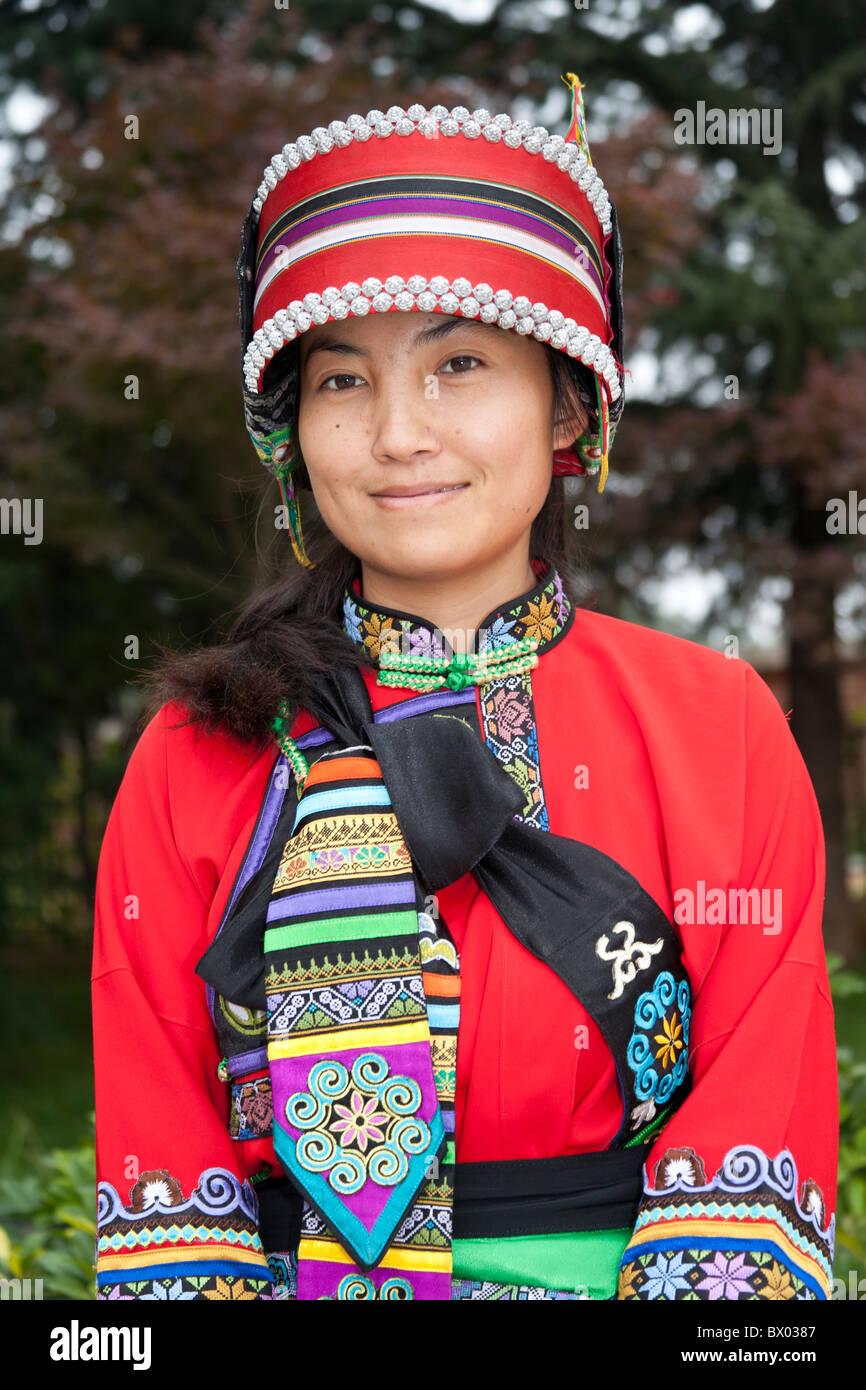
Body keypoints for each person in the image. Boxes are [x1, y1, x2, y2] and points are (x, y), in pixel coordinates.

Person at [91, 79, 837, 1301]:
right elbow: (160, 1138)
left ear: (567, 413)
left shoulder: (717, 725)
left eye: (460, 363)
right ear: (290, 440)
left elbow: (765, 1083)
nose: (396, 433)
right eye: (341, 382)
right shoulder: (196, 749)